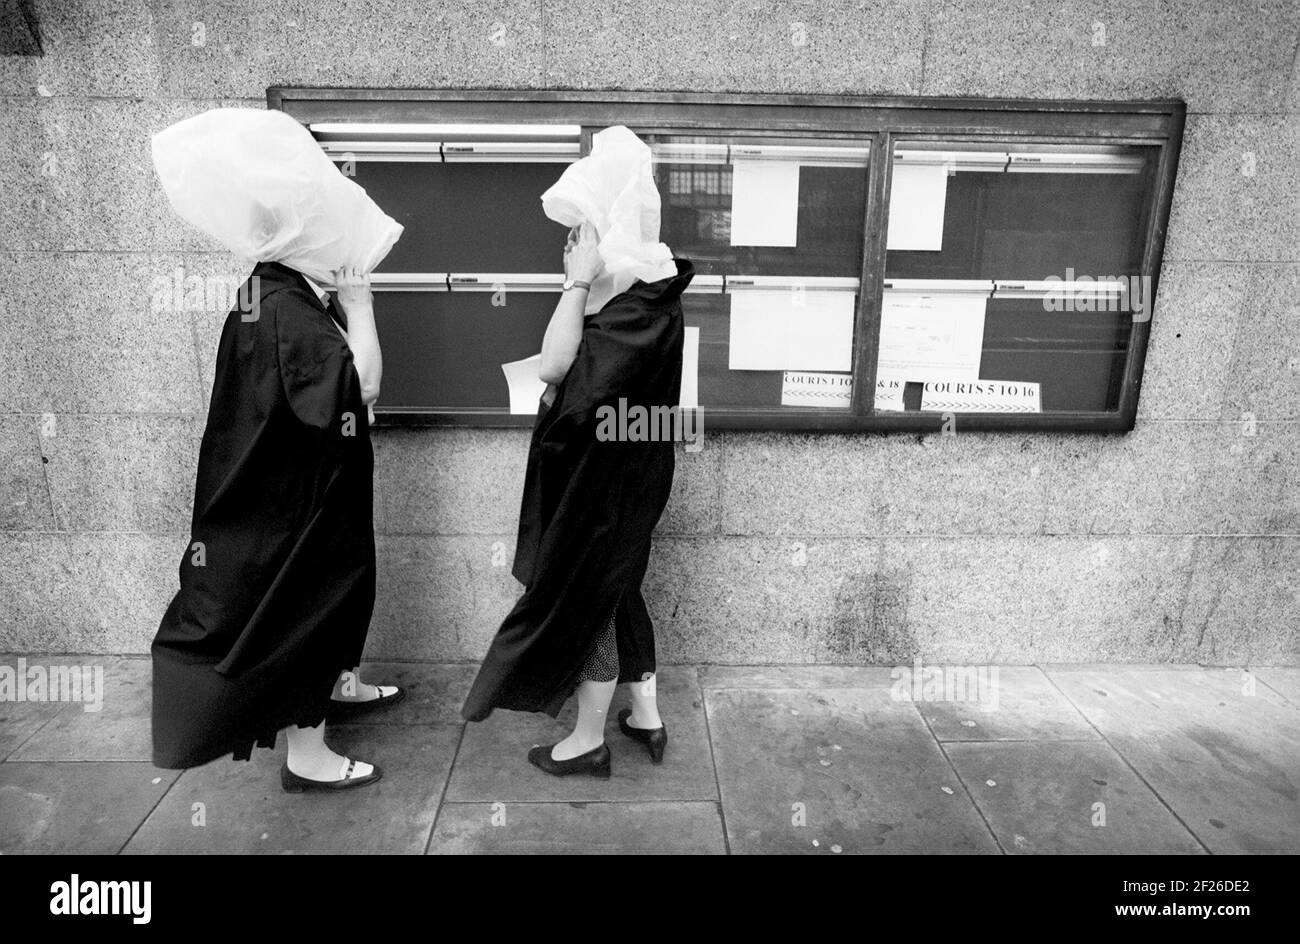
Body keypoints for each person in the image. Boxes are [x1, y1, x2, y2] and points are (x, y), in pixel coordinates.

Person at [151, 262, 402, 791]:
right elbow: (363, 386)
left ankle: (340, 683)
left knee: (343, 595)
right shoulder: (287, 306)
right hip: (300, 501)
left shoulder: (267, 291)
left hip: (302, 489)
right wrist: (360, 305)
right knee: (311, 611)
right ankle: (308, 760)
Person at [461, 220, 693, 778]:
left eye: (589, 240)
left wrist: (575, 284)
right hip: (632, 478)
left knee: (592, 603)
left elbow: (554, 367)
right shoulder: (654, 297)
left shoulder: (631, 311)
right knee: (618, 588)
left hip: (602, 489)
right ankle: (646, 715)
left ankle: (588, 740)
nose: (578, 249)